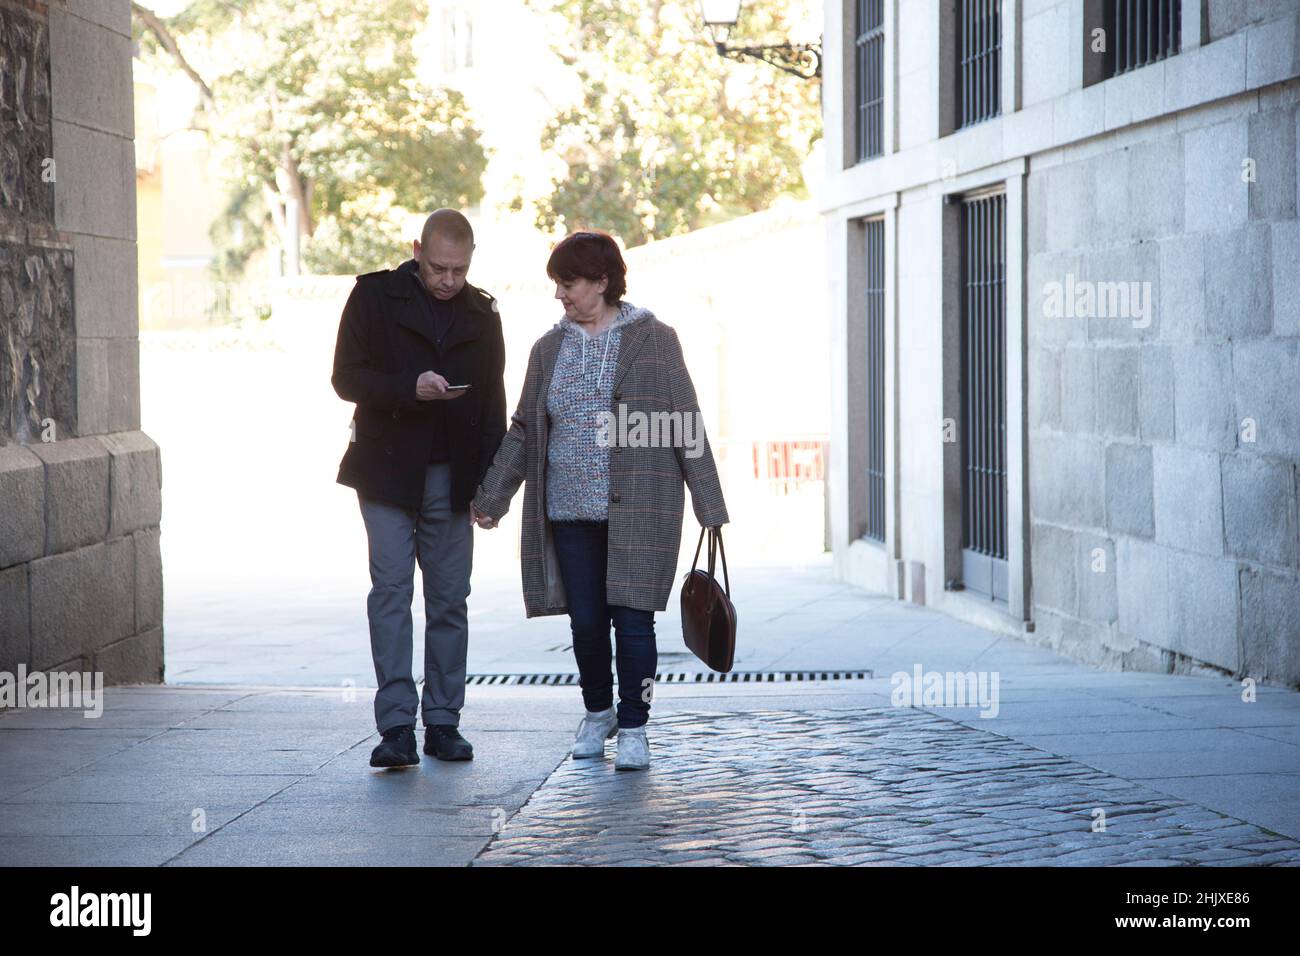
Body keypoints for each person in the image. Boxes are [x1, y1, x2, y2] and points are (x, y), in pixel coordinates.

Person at [470, 230, 728, 771]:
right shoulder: (548, 349)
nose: (559, 295)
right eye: (558, 285)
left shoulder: (655, 339)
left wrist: (710, 504)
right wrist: (493, 495)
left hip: (641, 510)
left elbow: (685, 420)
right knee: (585, 622)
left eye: (568, 284)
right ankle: (597, 712)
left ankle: (635, 725)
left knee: (633, 621)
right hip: (568, 512)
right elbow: (524, 429)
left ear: (602, 282)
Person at [331, 208, 506, 769]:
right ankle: (397, 727)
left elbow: (493, 407)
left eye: (459, 268)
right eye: (438, 267)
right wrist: (410, 388)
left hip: (453, 478)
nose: (449, 280)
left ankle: (445, 723)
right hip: (385, 473)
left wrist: (493, 488)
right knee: (390, 594)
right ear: (416, 250)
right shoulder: (374, 297)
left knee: (451, 599)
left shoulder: (483, 313)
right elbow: (345, 378)